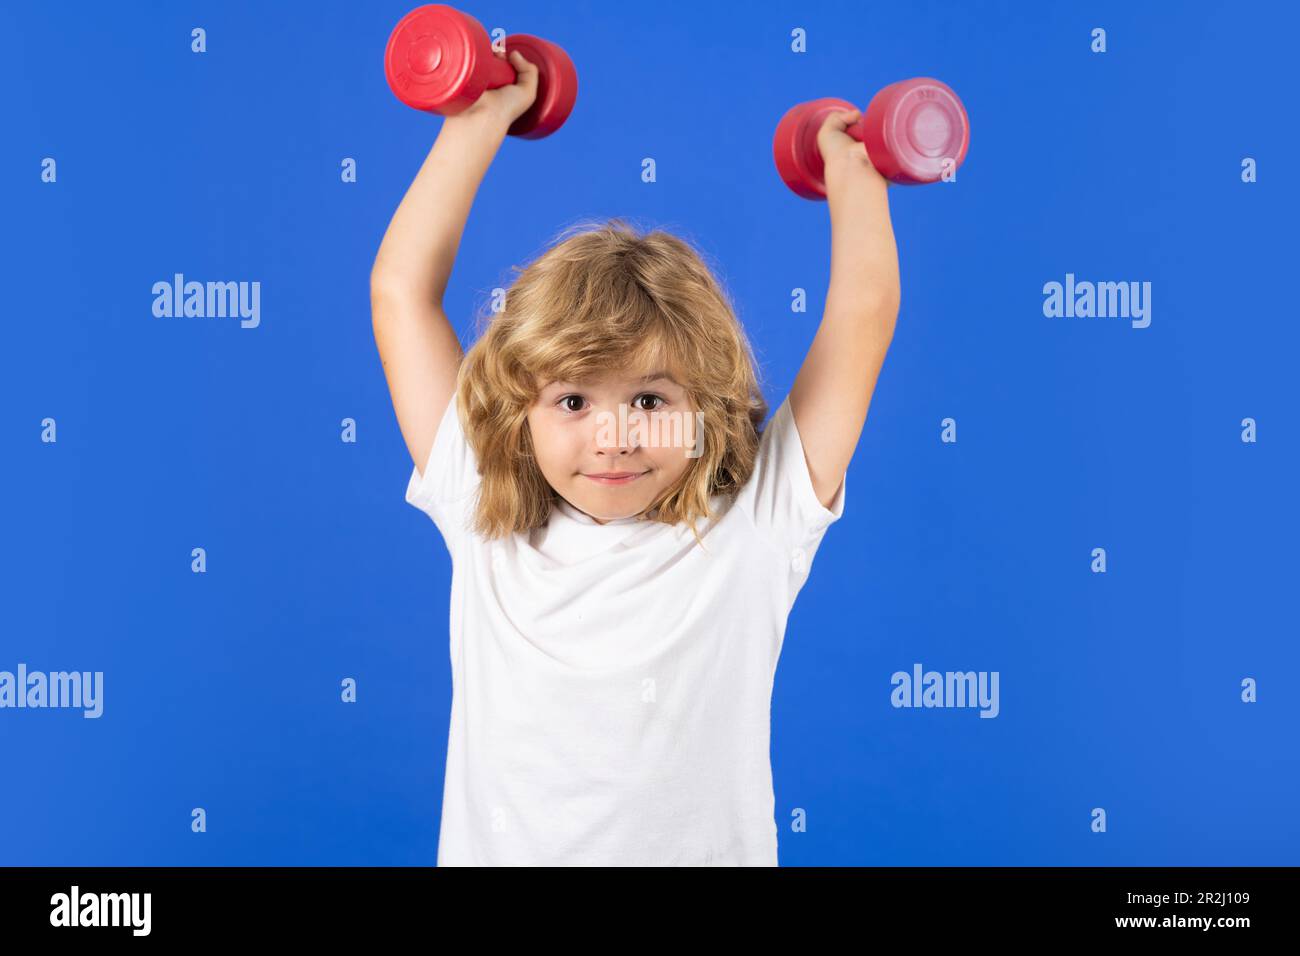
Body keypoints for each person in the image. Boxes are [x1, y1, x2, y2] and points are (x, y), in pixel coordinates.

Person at [371, 49, 899, 865]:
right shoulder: (483, 507)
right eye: (573, 402)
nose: (615, 437)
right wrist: (481, 118)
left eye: (651, 401)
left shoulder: (757, 522)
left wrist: (853, 168)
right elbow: (401, 289)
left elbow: (862, 310)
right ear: (521, 414)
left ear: (707, 410)